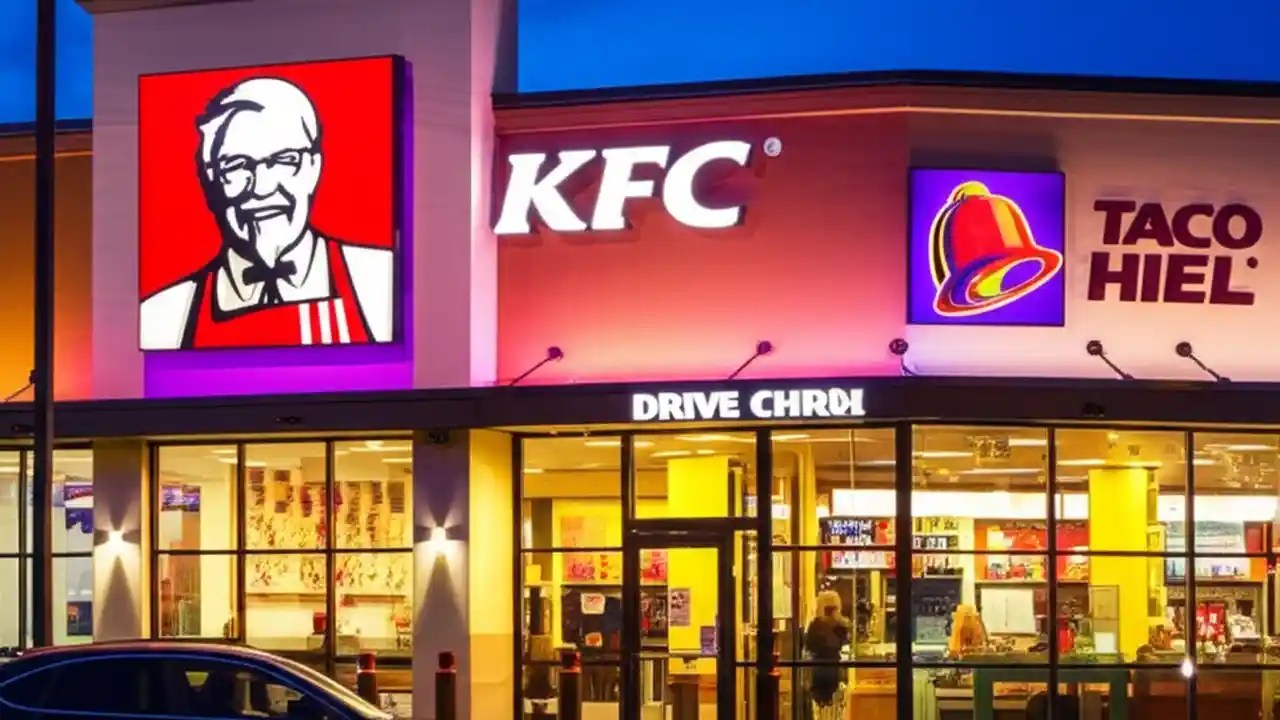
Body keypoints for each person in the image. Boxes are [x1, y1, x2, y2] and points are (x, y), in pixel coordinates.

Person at [140, 77, 394, 350]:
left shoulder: (377, 279)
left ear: (314, 167)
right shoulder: (165, 316)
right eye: (237, 165)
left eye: (284, 160)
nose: (261, 188)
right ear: (212, 180)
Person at [804, 590, 850, 707]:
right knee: (832, 701)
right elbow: (842, 643)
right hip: (830, 666)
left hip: (820, 666)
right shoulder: (838, 624)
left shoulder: (815, 625)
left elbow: (809, 645)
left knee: (822, 701)